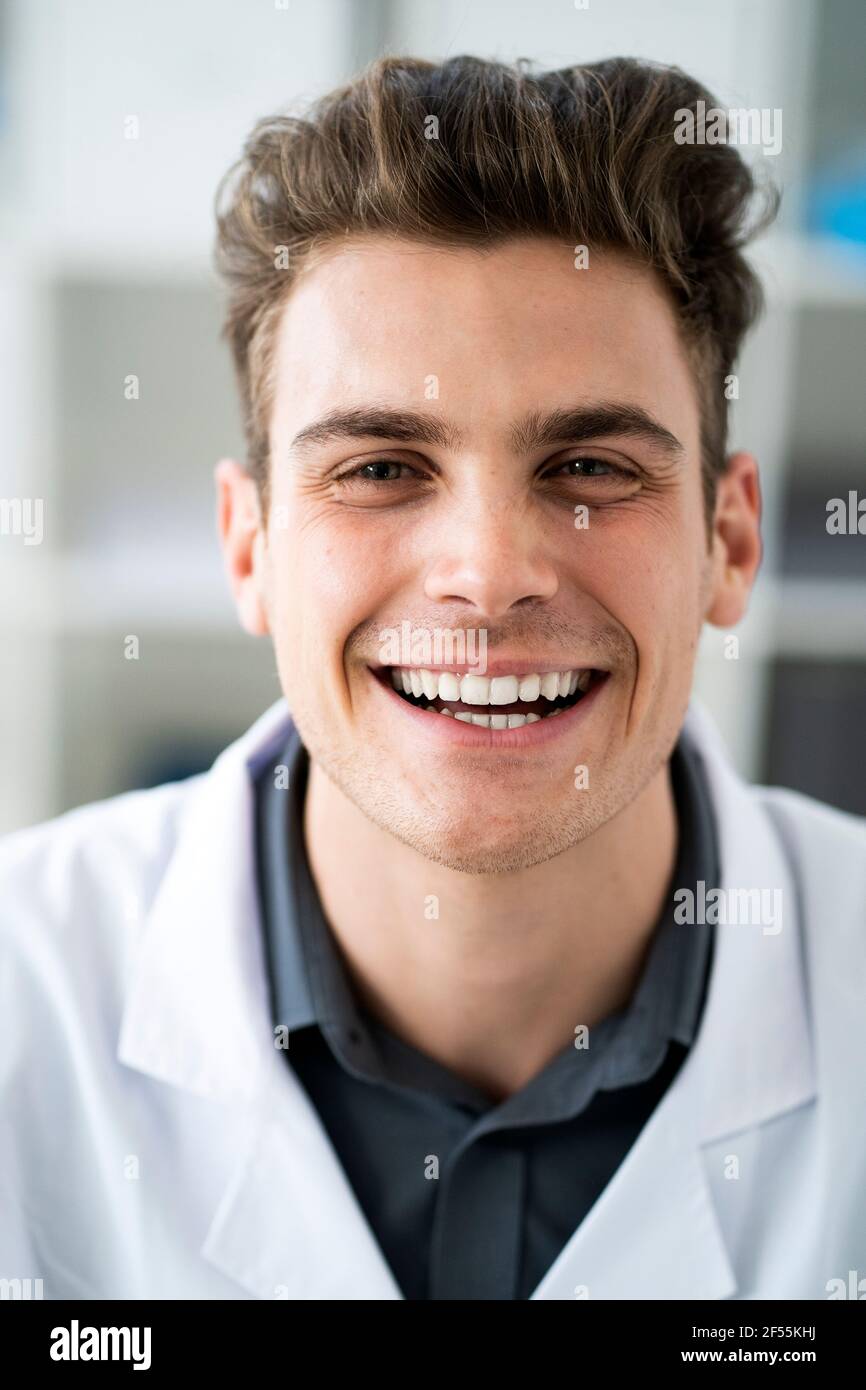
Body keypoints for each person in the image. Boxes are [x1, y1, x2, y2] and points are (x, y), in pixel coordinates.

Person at [1, 54, 864, 1302]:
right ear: (248, 547)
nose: (489, 573)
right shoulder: (25, 991)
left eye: (588, 466)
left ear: (727, 542)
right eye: (380, 468)